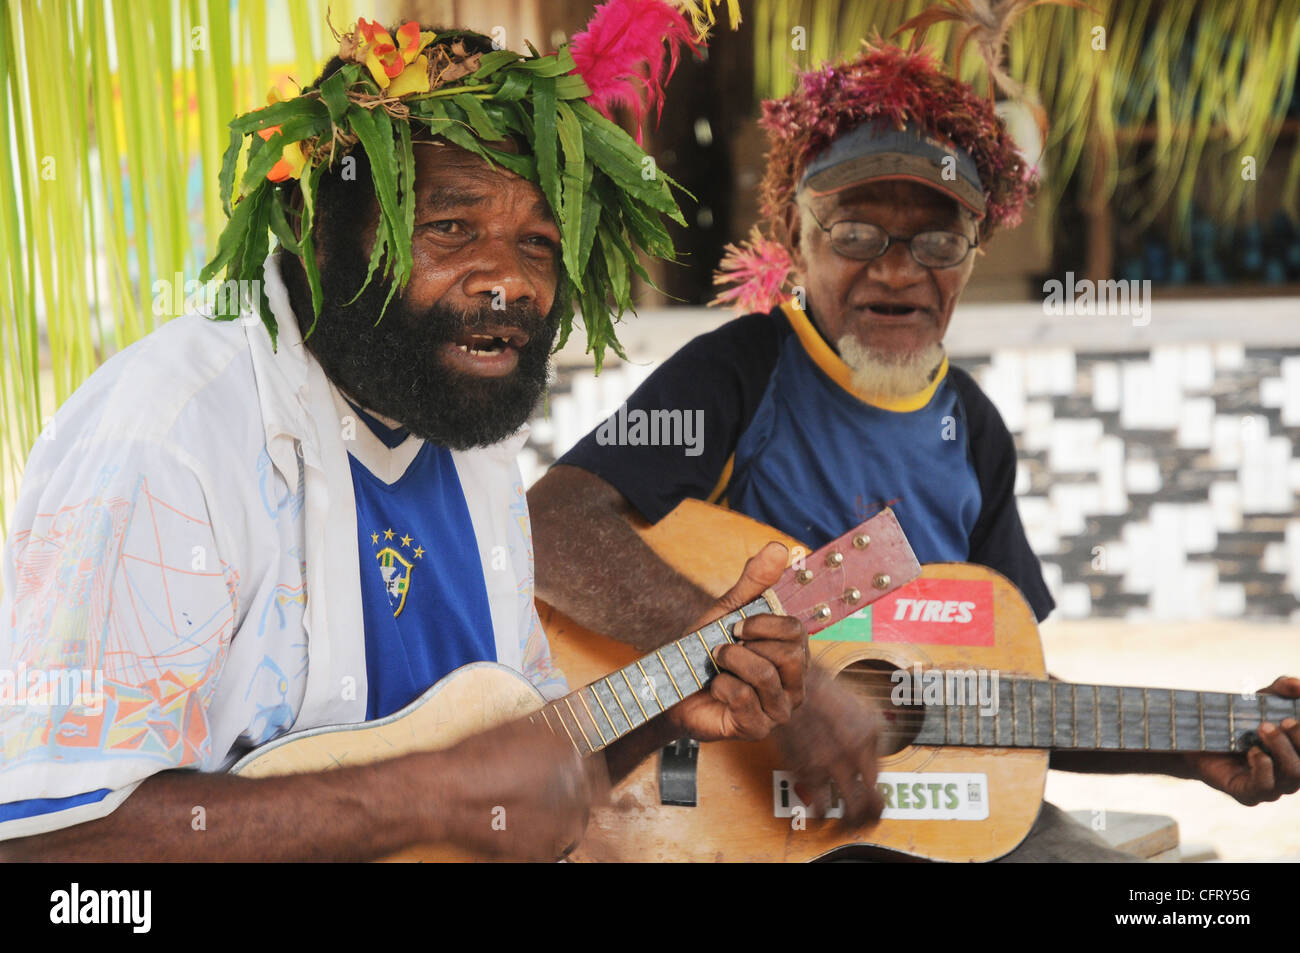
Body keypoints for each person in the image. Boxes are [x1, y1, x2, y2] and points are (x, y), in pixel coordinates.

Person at [0, 14, 808, 862]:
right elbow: (47, 846)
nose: (508, 281)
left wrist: (666, 703)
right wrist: (430, 794)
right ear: (318, 230)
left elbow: (512, 790)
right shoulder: (172, 440)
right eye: (451, 228)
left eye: (538, 242)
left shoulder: (470, 437)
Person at [529, 41, 1300, 861]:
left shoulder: (973, 427)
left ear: (975, 250)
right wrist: (774, 678)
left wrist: (1196, 746)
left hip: (918, 821)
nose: (897, 273)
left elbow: (995, 697)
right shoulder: (739, 375)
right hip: (747, 825)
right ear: (794, 233)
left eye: (936, 242)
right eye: (856, 234)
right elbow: (547, 528)